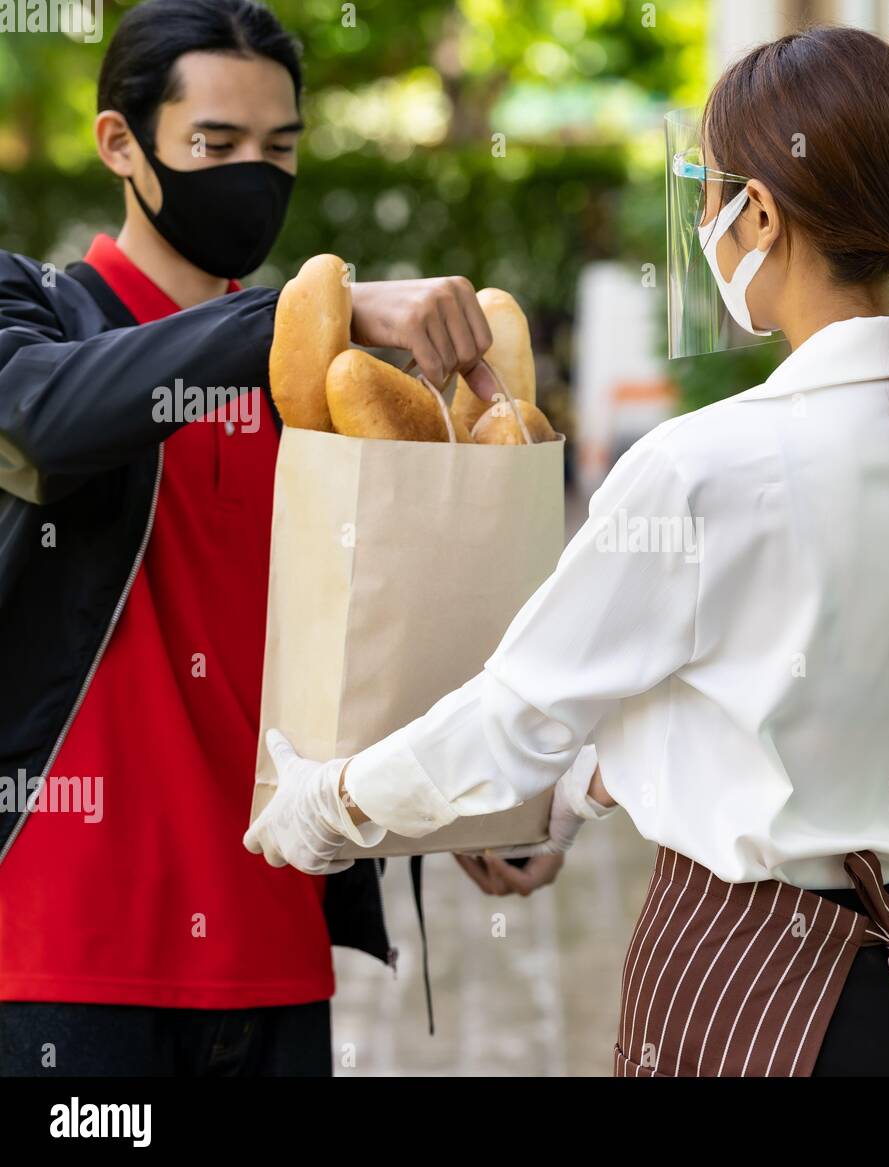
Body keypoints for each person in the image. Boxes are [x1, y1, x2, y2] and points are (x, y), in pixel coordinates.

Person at [246, 25, 889, 1077]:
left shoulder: (706, 466)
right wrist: (581, 793)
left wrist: (327, 805)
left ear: (759, 212)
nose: (704, 220)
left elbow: (511, 719)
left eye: (710, 192)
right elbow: (781, 706)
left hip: (749, 993)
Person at [0, 0, 577, 1079]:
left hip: (276, 947)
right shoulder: (33, 316)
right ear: (121, 144)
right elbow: (42, 416)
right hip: (68, 959)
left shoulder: (318, 383)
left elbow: (381, 629)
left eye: (280, 149)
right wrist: (311, 310)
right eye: (214, 147)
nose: (253, 178)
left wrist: (469, 798)